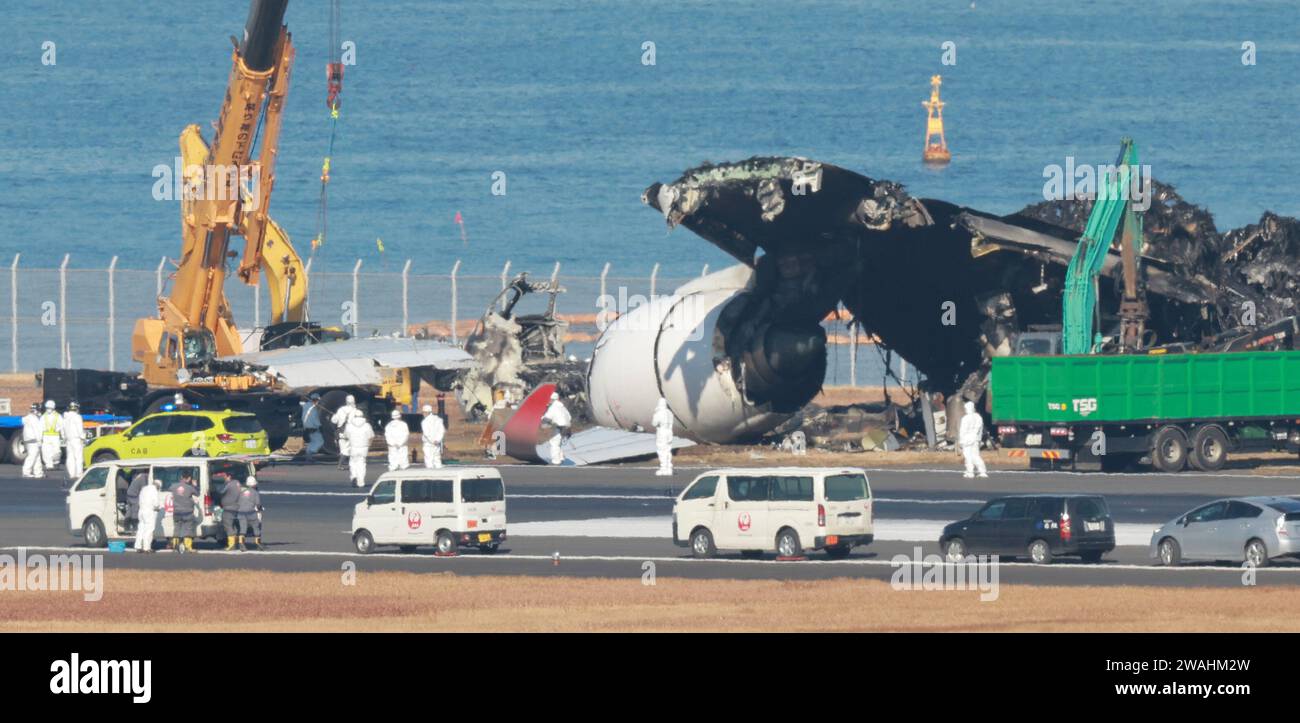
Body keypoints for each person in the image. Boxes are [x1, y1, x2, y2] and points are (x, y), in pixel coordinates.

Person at [170, 470, 199, 553]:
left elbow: (169, 490)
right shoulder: (190, 488)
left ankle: (175, 546)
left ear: (181, 477)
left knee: (177, 528)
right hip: (187, 512)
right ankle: (188, 546)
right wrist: (195, 485)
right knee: (188, 529)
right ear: (189, 478)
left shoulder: (173, 486)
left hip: (176, 512)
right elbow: (197, 493)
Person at [958, 400, 989, 479]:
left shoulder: (965, 418)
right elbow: (980, 430)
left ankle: (970, 472)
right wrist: (979, 439)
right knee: (976, 455)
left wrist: (961, 441)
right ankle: (982, 471)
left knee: (968, 456)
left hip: (966, 438)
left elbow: (962, 430)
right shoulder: (978, 417)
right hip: (975, 438)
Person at [344, 413, 374, 487]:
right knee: (362, 465)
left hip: (353, 447)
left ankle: (354, 476)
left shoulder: (349, 426)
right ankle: (361, 482)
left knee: (353, 463)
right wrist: (369, 445)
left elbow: (346, 436)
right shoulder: (367, 425)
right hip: (364, 447)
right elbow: (371, 436)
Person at [541, 392, 571, 465]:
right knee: (558, 443)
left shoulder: (553, 407)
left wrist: (541, 418)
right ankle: (561, 458)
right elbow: (569, 417)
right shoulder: (562, 407)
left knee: (554, 443)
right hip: (566, 427)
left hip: (559, 427)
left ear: (552, 399)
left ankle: (556, 461)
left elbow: (547, 417)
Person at [331, 394, 360, 470]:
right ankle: (345, 465)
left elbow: (333, 420)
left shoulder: (341, 410)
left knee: (343, 450)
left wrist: (334, 415)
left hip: (341, 432)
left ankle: (343, 464)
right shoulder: (355, 411)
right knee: (350, 449)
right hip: (351, 433)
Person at [134, 476, 162, 553]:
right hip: (149, 512)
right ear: (158, 486)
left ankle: (138, 546)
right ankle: (146, 548)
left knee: (141, 529)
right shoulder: (154, 490)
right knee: (149, 529)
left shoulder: (144, 489)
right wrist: (158, 507)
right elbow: (156, 503)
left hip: (141, 511)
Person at [235, 476, 263, 551]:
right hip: (251, 513)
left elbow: (236, 502)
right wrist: (260, 509)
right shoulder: (255, 493)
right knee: (256, 526)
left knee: (243, 528)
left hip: (241, 512)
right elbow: (258, 504)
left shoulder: (241, 492)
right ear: (254, 484)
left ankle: (241, 544)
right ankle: (258, 544)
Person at [218, 472, 244, 550]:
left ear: (229, 476)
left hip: (228, 508)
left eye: (225, 476)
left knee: (228, 525)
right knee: (233, 526)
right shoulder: (237, 483)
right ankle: (236, 543)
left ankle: (231, 544)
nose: (223, 477)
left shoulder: (229, 484)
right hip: (236, 507)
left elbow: (221, 491)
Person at [651, 397, 675, 476]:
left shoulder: (659, 412)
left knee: (662, 450)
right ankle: (669, 468)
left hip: (662, 431)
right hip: (669, 431)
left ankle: (663, 468)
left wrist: (655, 413)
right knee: (668, 450)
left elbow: (654, 423)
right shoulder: (669, 413)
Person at [62, 401, 85, 481]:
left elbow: (63, 429)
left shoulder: (65, 417)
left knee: (70, 457)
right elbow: (80, 429)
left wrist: (64, 437)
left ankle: (72, 473)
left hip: (69, 439)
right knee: (78, 457)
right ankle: (79, 473)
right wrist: (83, 437)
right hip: (76, 439)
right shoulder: (77, 417)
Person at [20, 403, 43, 479]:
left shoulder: (27, 418)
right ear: (36, 410)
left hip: (28, 440)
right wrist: (40, 441)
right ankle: (26, 472)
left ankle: (38, 473)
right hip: (34, 441)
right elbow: (37, 431)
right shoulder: (34, 419)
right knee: (32, 457)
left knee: (37, 457)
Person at [40, 399, 63, 472]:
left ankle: (56, 462)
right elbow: (40, 428)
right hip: (46, 436)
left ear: (53, 408)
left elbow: (62, 426)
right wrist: (40, 438)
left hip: (55, 436)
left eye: (49, 408)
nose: (48, 409)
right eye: (47, 408)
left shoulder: (58, 416)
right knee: (46, 451)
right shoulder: (43, 417)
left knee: (56, 451)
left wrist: (62, 435)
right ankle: (49, 465)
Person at [420, 404, 445, 469]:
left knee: (429, 460)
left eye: (423, 412)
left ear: (426, 412)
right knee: (437, 459)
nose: (423, 414)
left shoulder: (424, 422)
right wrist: (437, 440)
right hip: (437, 443)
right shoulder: (438, 419)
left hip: (428, 443)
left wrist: (433, 441)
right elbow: (441, 431)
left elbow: (426, 434)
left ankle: (430, 477)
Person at [301, 393, 324, 458]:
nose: (318, 402)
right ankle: (309, 453)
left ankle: (309, 456)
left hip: (307, 427)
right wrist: (320, 426)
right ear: (315, 400)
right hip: (313, 427)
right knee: (320, 441)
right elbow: (314, 418)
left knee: (312, 441)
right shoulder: (313, 409)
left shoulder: (306, 406)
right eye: (318, 401)